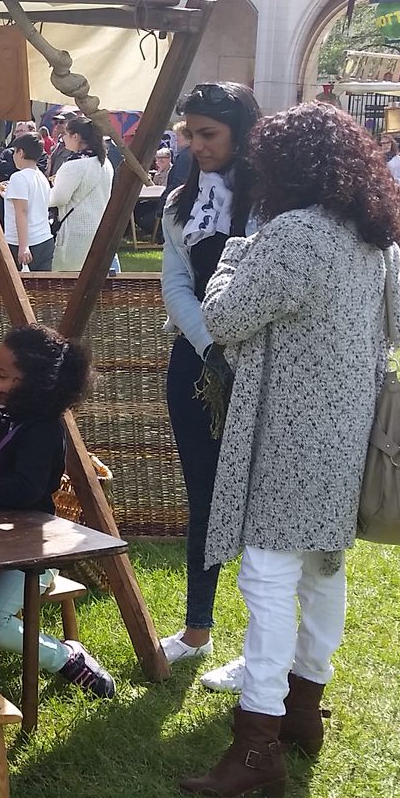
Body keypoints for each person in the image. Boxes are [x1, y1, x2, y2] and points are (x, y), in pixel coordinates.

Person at [178, 102, 400, 798]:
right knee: (322, 569)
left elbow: (224, 317)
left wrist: (234, 255)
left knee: (268, 578)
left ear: (287, 167)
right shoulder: (374, 236)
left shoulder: (295, 233)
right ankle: (304, 709)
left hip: (285, 435)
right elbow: (395, 330)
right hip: (346, 433)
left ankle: (258, 742)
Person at [159, 82, 263, 677]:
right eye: (191, 134)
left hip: (262, 364)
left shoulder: (273, 202)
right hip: (197, 363)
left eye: (210, 134)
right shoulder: (180, 202)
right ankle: (197, 627)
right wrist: (210, 344)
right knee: (204, 496)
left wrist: (236, 346)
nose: (198, 145)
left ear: (241, 133)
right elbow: (176, 284)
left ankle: (262, 644)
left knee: (262, 502)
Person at [0, 323, 115, 696]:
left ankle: (65, 658)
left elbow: (26, 489)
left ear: (35, 383)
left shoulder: (45, 430)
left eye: (3, 376)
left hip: (33, 555)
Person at [50, 117, 115, 272]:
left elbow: (58, 199)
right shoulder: (105, 162)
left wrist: (41, 192)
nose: (63, 138)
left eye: (65, 134)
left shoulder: (73, 165)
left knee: (68, 279)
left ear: (75, 136)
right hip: (100, 229)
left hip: (75, 231)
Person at [1, 133, 55, 271]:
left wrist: (23, 246)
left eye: (14, 152)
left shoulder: (18, 177)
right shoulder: (41, 177)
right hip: (44, 239)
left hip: (23, 243)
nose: (13, 156)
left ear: (21, 153)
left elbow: (22, 212)